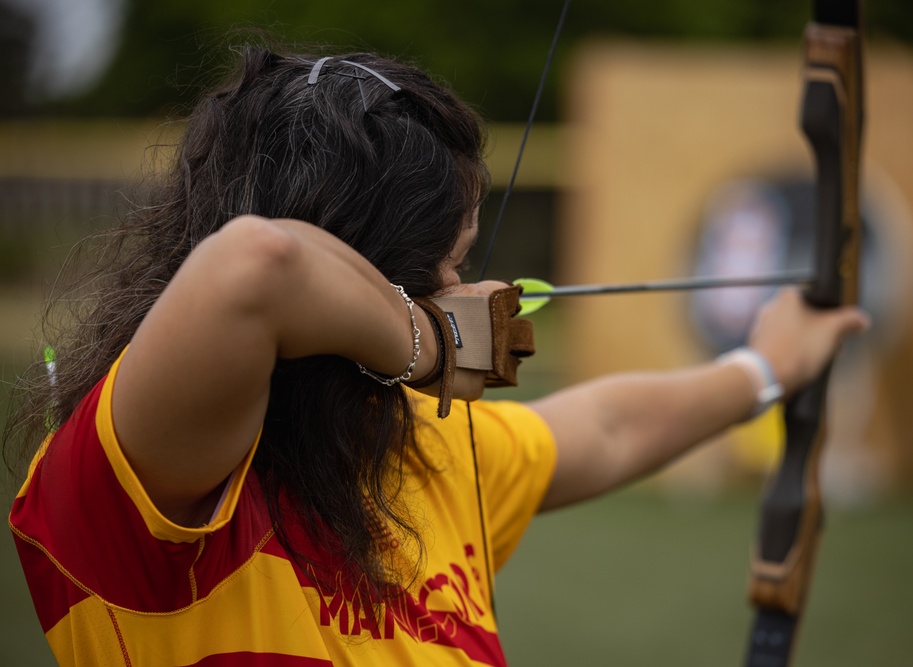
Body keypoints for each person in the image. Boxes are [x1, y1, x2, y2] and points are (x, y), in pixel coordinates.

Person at [4, 48, 868, 666]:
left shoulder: (418, 444)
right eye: (445, 264)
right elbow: (257, 267)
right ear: (372, 258)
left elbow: (601, 425)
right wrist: (434, 344)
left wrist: (764, 369)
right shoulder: (153, 472)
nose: (466, 286)